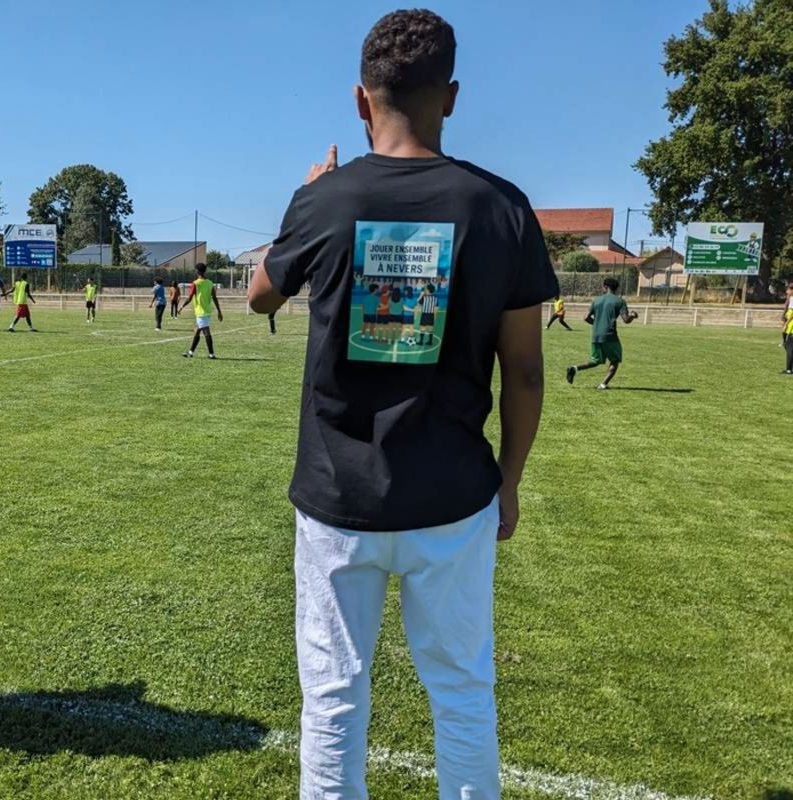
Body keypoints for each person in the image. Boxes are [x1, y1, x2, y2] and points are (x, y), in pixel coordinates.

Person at [247, 10, 558, 798]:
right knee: (461, 691)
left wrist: (303, 197)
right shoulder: (503, 207)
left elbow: (258, 296)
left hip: (338, 501)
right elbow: (525, 373)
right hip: (453, 498)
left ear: (361, 99)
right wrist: (509, 481)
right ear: (449, 96)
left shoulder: (325, 199)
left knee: (333, 697)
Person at [565, 277, 638, 390]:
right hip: (610, 335)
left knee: (595, 361)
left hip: (596, 335)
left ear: (606, 287)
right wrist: (633, 315)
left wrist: (597, 323)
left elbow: (586, 317)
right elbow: (626, 320)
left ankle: (573, 368)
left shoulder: (596, 300)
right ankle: (603, 384)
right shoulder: (620, 301)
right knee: (615, 360)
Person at [180, 263, 224, 359]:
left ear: (197, 271)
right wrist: (219, 311)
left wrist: (182, 306)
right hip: (206, 310)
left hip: (201, 311)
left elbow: (190, 297)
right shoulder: (210, 283)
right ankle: (191, 352)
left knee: (206, 332)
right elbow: (215, 298)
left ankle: (211, 354)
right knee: (197, 331)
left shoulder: (195, 283)